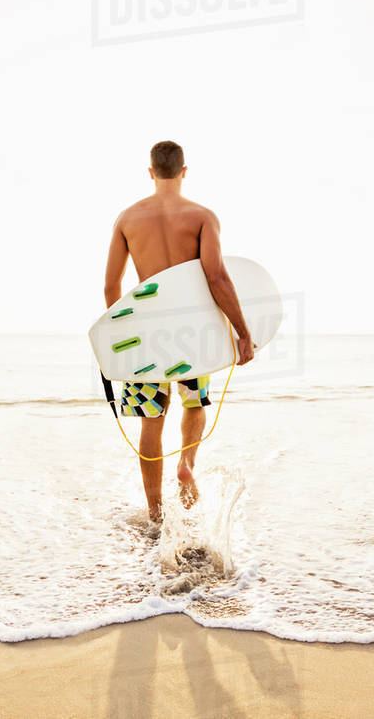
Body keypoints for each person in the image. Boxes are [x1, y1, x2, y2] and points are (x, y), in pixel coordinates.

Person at [104, 140, 255, 523]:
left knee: (151, 422)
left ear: (151, 172)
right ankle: (186, 463)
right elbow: (216, 277)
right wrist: (242, 332)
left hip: (147, 335)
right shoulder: (201, 216)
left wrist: (122, 341)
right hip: (192, 332)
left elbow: (111, 287)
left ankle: (155, 515)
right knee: (194, 404)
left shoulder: (127, 219)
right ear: (184, 171)